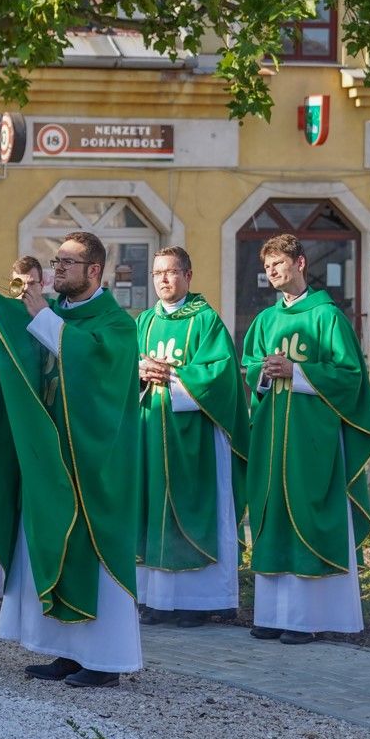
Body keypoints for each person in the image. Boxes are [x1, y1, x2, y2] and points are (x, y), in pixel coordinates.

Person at [0, 231, 141, 688]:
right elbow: (11, 327)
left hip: (95, 465)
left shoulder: (116, 324)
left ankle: (107, 660)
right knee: (52, 543)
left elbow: (93, 362)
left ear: (94, 271)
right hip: (54, 458)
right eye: (56, 261)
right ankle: (67, 651)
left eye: (68, 263)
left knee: (92, 550)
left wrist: (41, 318)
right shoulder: (53, 314)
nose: (57, 269)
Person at [242, 234, 370, 644]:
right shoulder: (265, 320)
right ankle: (271, 614)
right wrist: (263, 373)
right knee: (274, 514)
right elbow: (250, 365)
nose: (272, 271)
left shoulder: (327, 317)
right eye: (267, 266)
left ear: (300, 263)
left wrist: (298, 372)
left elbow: (350, 376)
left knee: (307, 511)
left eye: (279, 263)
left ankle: (306, 619)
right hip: (272, 433)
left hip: (312, 437)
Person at [136, 246, 249, 627]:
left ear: (188, 276)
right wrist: (140, 373)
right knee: (154, 511)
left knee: (194, 508)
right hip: (152, 431)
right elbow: (124, 367)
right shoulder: (145, 322)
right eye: (157, 273)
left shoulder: (206, 320)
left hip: (194, 435)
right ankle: (155, 599)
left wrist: (172, 376)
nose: (163, 279)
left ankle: (199, 602)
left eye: (170, 272)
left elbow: (221, 376)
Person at [0, 256, 44, 600]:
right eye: (18, 284)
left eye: (32, 284)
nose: (25, 291)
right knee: (7, 496)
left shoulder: (52, 317)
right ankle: (7, 584)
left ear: (44, 284)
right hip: (9, 427)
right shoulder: (2, 318)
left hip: (42, 428)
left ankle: (37, 581)